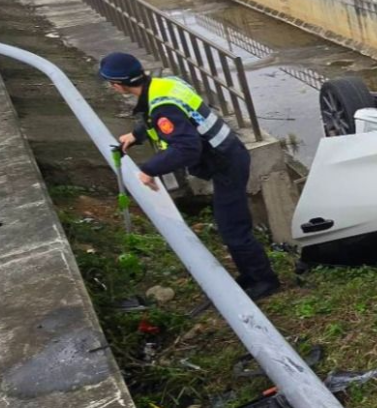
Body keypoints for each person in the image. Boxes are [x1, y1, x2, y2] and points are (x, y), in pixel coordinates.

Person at [101, 52, 281, 300]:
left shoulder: (161, 105)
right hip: (228, 155)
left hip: (226, 163)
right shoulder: (165, 85)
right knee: (230, 223)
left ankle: (265, 280)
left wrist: (149, 169)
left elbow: (187, 148)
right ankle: (250, 276)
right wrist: (136, 136)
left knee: (233, 228)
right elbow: (159, 119)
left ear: (117, 85)